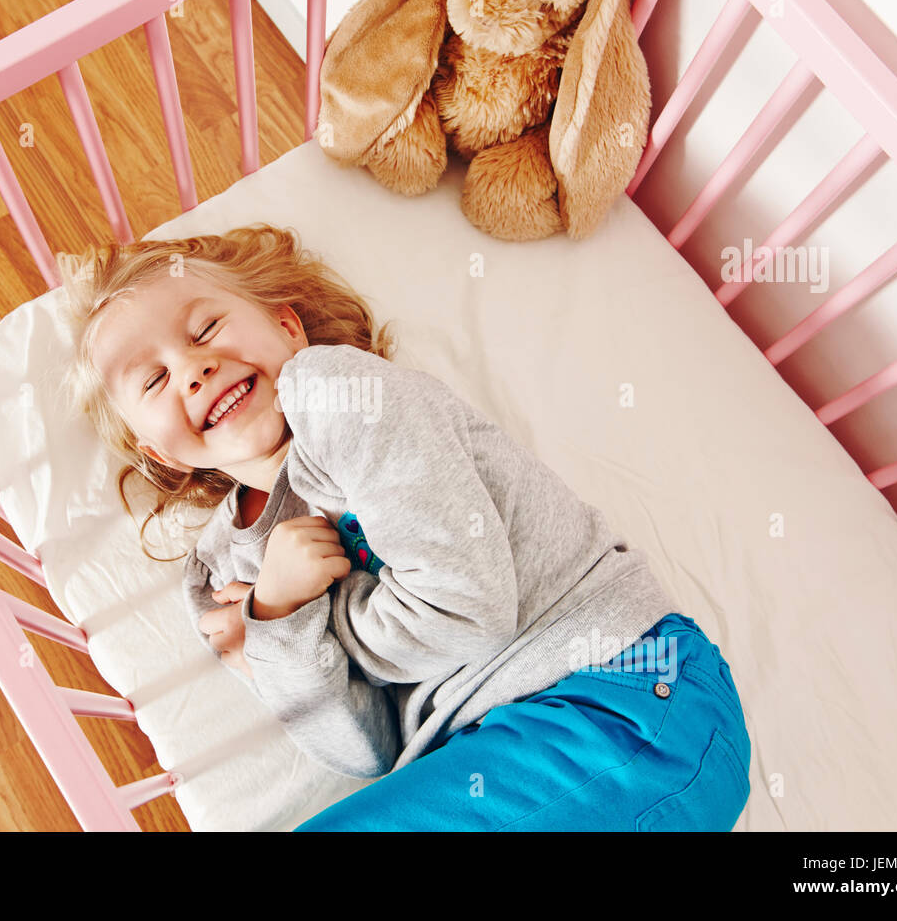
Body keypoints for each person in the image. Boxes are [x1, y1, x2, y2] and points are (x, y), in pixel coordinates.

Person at [59, 223, 751, 831]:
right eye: (151, 381)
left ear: (286, 327)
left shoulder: (345, 394)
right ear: (158, 453)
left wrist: (336, 618)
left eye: (206, 328)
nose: (193, 368)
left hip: (617, 703)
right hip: (497, 756)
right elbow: (365, 749)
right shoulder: (224, 574)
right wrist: (280, 614)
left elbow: (468, 611)